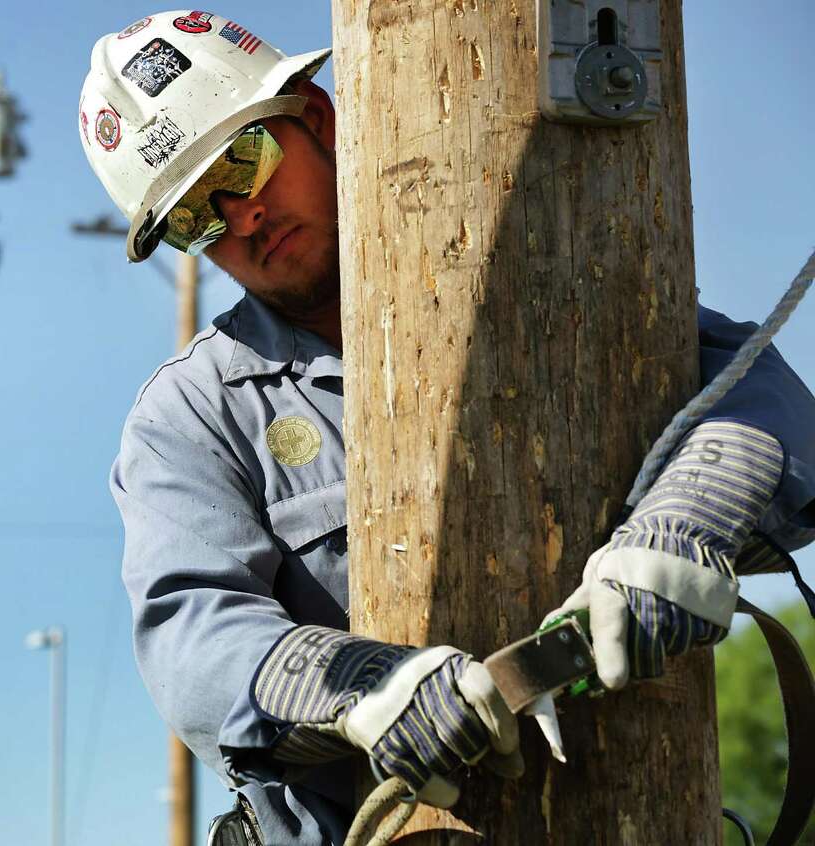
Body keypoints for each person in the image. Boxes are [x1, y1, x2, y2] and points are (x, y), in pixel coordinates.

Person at [79, 13, 815, 844]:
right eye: (196, 218)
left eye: (241, 164)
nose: (240, 218)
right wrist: (359, 687)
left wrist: (687, 522)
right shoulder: (193, 416)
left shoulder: (540, 270)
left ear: (314, 117)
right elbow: (191, 636)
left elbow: (763, 396)